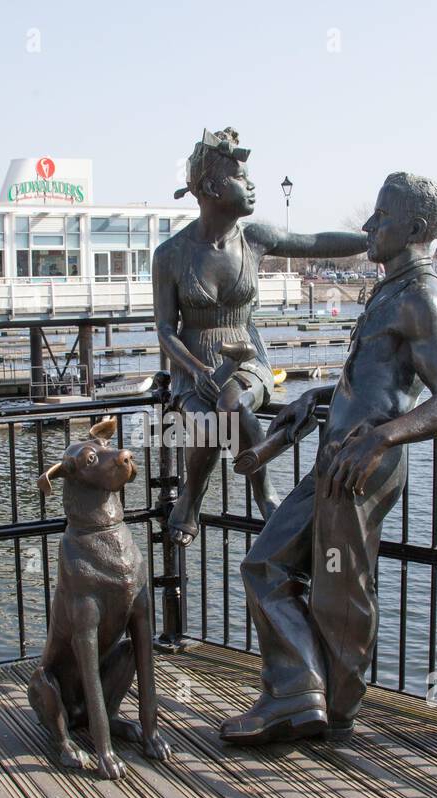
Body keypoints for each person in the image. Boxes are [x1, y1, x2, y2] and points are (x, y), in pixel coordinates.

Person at [220, 172, 437, 746]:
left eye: (380, 217)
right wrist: (318, 397)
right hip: (336, 458)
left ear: (416, 228)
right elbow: (377, 384)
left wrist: (381, 439)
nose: (367, 227)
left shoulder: (421, 296)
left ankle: (331, 712)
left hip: (361, 466)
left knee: (341, 594)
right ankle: (296, 693)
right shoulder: (389, 290)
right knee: (265, 565)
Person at [154, 127, 366, 546]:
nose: (252, 186)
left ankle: (261, 492)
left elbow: (316, 242)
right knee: (207, 424)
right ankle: (193, 500)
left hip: (247, 357)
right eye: (240, 177)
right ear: (212, 187)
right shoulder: (171, 255)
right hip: (192, 365)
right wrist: (196, 371)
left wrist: (376, 239)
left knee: (231, 404)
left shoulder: (255, 239)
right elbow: (164, 329)